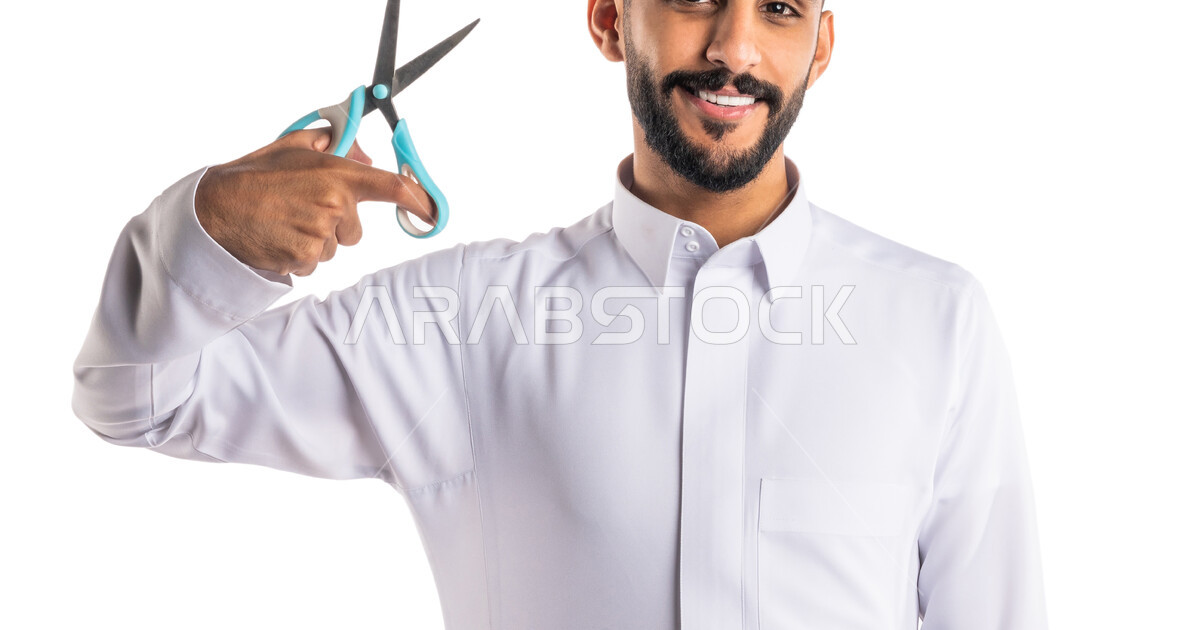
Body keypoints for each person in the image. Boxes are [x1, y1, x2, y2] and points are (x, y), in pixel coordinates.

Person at [72, 0, 1049, 628]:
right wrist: (204, 231)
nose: (733, 48)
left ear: (821, 46)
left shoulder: (936, 321)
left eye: (779, 9)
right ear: (609, 20)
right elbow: (135, 400)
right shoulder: (457, 323)